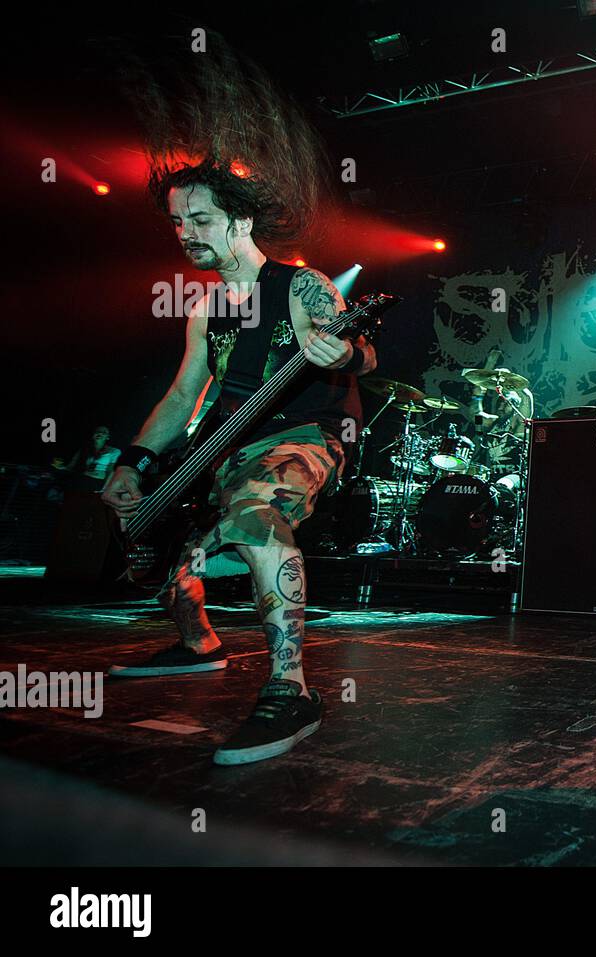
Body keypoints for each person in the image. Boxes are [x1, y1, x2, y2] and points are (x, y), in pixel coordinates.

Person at [101, 163, 377, 766]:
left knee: (255, 515)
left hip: (303, 438)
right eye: (177, 221)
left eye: (201, 219)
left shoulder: (300, 288)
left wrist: (347, 351)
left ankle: (291, 688)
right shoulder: (204, 309)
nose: (186, 232)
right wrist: (133, 462)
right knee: (179, 578)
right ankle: (201, 646)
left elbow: (363, 354)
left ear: (241, 220)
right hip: (228, 451)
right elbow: (182, 398)